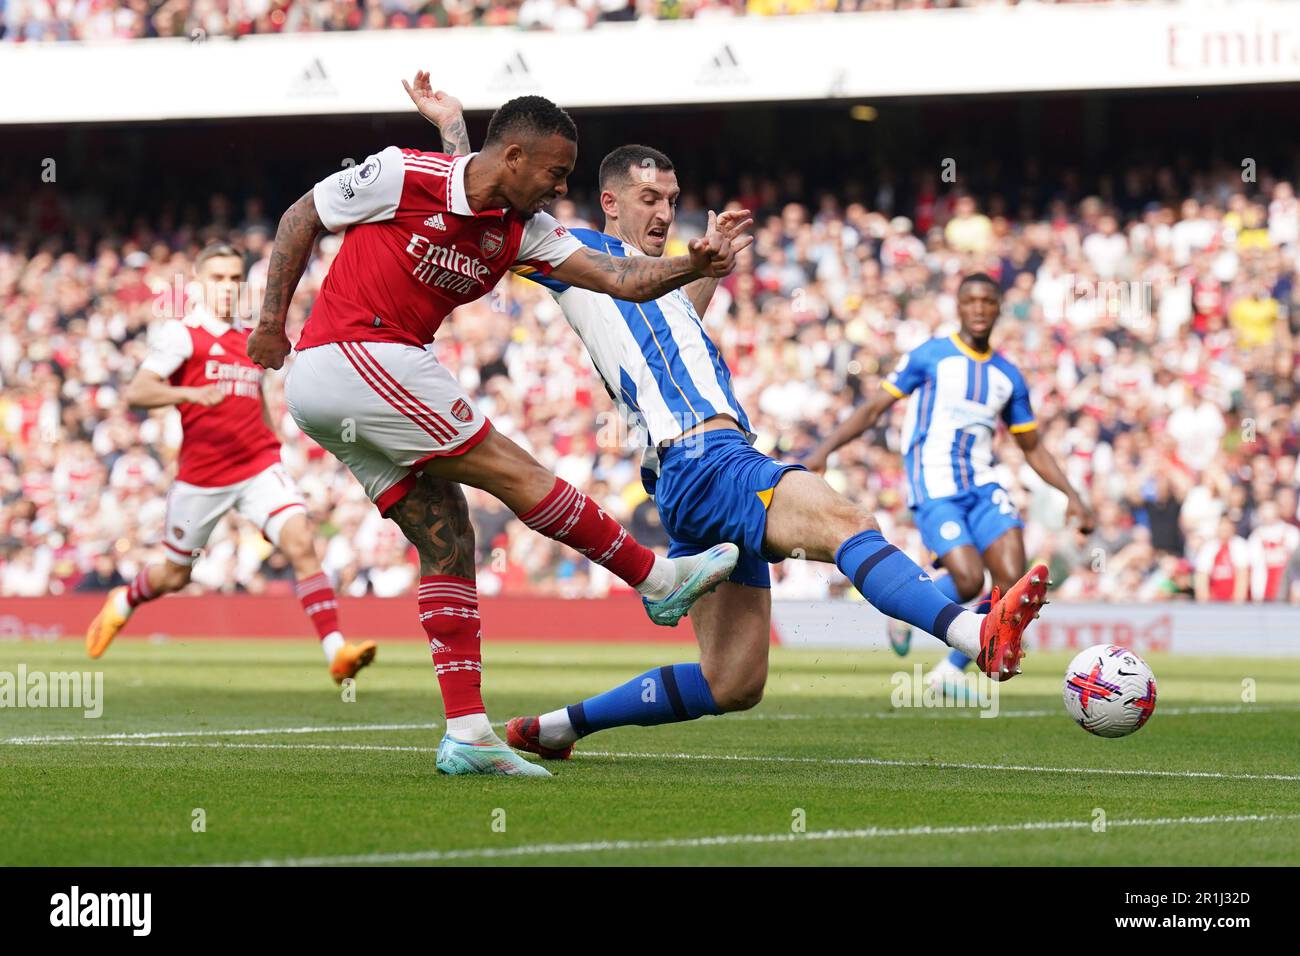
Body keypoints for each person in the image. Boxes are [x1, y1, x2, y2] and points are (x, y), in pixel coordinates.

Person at [416, 104, 1052, 760]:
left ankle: (556, 728)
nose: (664, 211)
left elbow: (666, 332)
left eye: (671, 198)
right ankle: (972, 633)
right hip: (704, 455)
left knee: (734, 680)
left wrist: (706, 276)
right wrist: (453, 130)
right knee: (843, 521)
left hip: (693, 471)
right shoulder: (575, 253)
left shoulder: (665, 274)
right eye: (648, 198)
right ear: (609, 201)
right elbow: (483, 196)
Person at [245, 77, 743, 777]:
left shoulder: (524, 229)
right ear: (514, 156)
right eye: (556, 172)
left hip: (355, 386)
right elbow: (303, 215)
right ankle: (654, 578)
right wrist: (271, 324)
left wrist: (692, 264)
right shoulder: (399, 172)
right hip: (354, 353)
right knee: (516, 470)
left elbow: (620, 279)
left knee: (449, 534)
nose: (559, 188)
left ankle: (467, 732)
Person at [84, 243, 377, 684]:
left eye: (235, 279)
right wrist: (188, 394)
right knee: (174, 575)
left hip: (258, 465)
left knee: (301, 540)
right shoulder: (183, 335)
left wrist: (271, 438)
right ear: (200, 283)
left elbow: (255, 392)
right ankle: (124, 601)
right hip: (202, 477)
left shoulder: (251, 337)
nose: (227, 288)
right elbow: (138, 392)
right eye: (218, 278)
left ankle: (337, 652)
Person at [807, 273, 1093, 696]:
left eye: (987, 302)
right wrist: (824, 449)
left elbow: (1031, 446)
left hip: (982, 483)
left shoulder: (1007, 376)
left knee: (1013, 583)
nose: (979, 309)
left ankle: (949, 673)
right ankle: (902, 611)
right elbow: (874, 409)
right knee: (966, 579)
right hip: (935, 482)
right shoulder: (931, 356)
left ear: (998, 309)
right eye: (971, 301)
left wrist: (1073, 495)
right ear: (958, 307)